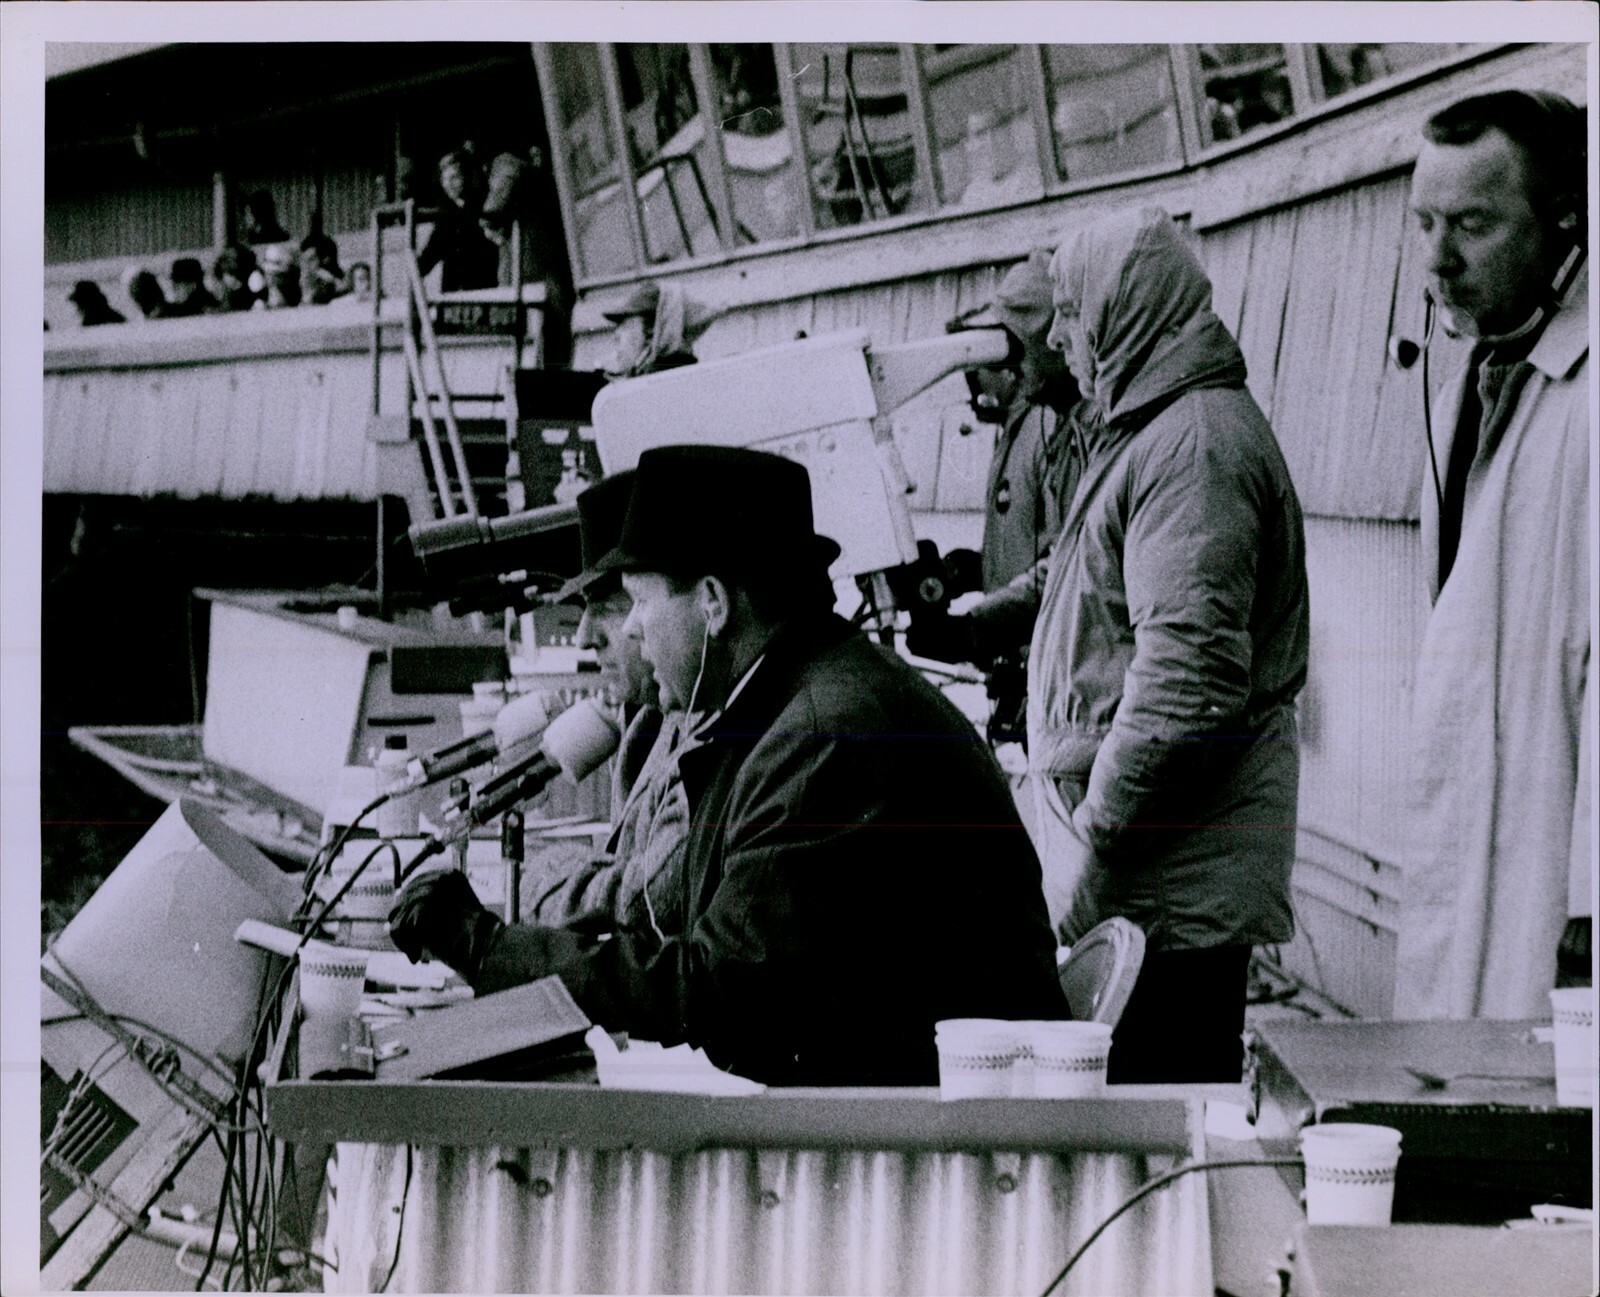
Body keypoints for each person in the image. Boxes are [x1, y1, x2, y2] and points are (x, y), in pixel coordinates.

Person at [390, 445, 1068, 1086]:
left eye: (643, 600)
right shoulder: (794, 701)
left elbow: (720, 985)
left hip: (942, 1144)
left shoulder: (821, 733)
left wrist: (488, 946)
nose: (630, 629)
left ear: (712, 601)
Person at [1027, 206, 1309, 1084]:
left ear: (1125, 308)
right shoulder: (1158, 427)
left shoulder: (1190, 446)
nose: (1057, 336)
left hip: (1167, 886)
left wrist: (1095, 839)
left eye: (1070, 311)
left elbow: (1185, 682)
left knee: (1157, 1115)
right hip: (1155, 877)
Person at [1396, 90, 1590, 1018]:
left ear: (1567, 223)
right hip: (1469, 848)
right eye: (1424, 222)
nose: (1437, 259)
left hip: (1558, 882)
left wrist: (1589, 904)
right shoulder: (1468, 387)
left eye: (1472, 224)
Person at [913, 250, 1085, 745]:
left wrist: (974, 631)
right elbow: (1032, 541)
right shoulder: (1023, 429)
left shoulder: (1045, 425)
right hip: (1027, 664)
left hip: (1046, 666)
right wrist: (972, 568)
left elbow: (1064, 562)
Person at [519, 470, 694, 934]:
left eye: (610, 605)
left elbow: (641, 902)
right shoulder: (650, 724)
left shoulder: (704, 727)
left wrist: (539, 876)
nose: (583, 637)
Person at [416, 148, 500, 293]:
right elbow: (433, 250)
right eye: (445, 179)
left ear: (466, 177)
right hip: (453, 292)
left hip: (483, 290)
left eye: (454, 177)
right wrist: (415, 271)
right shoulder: (445, 215)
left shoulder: (484, 208)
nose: (449, 184)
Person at [604, 280, 716, 377]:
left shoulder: (661, 379)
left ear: (652, 332)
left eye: (625, 325)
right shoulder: (648, 376)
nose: (616, 336)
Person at [298, 232, 348, 305]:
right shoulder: (300, 281)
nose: (306, 266)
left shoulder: (339, 282)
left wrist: (332, 280)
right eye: (303, 260)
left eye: (311, 259)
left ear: (325, 259)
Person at [213, 245, 259, 311]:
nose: (223, 264)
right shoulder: (218, 290)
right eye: (223, 259)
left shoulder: (247, 293)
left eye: (229, 259)